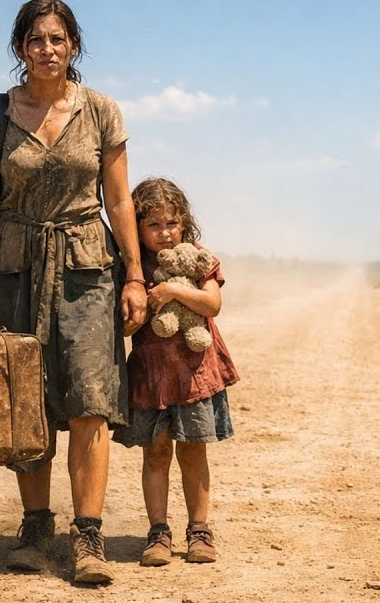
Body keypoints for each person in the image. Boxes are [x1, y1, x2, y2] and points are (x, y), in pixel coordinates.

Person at [0, 0, 147, 584]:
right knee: (23, 399)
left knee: (90, 399)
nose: (47, 50)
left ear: (74, 46)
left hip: (88, 267)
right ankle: (36, 526)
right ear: (19, 49)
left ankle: (88, 537)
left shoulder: (103, 110)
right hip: (12, 267)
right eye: (35, 40)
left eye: (58, 39)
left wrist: (134, 275)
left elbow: (118, 200)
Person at [113, 178, 239, 567]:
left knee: (193, 451)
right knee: (156, 453)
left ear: (184, 222)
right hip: (153, 375)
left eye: (172, 223)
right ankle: (158, 532)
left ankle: (199, 530)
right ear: (136, 228)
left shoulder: (198, 258)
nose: (165, 233)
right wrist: (145, 304)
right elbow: (126, 328)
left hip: (196, 374)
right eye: (153, 225)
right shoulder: (132, 271)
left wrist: (171, 292)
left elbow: (212, 305)